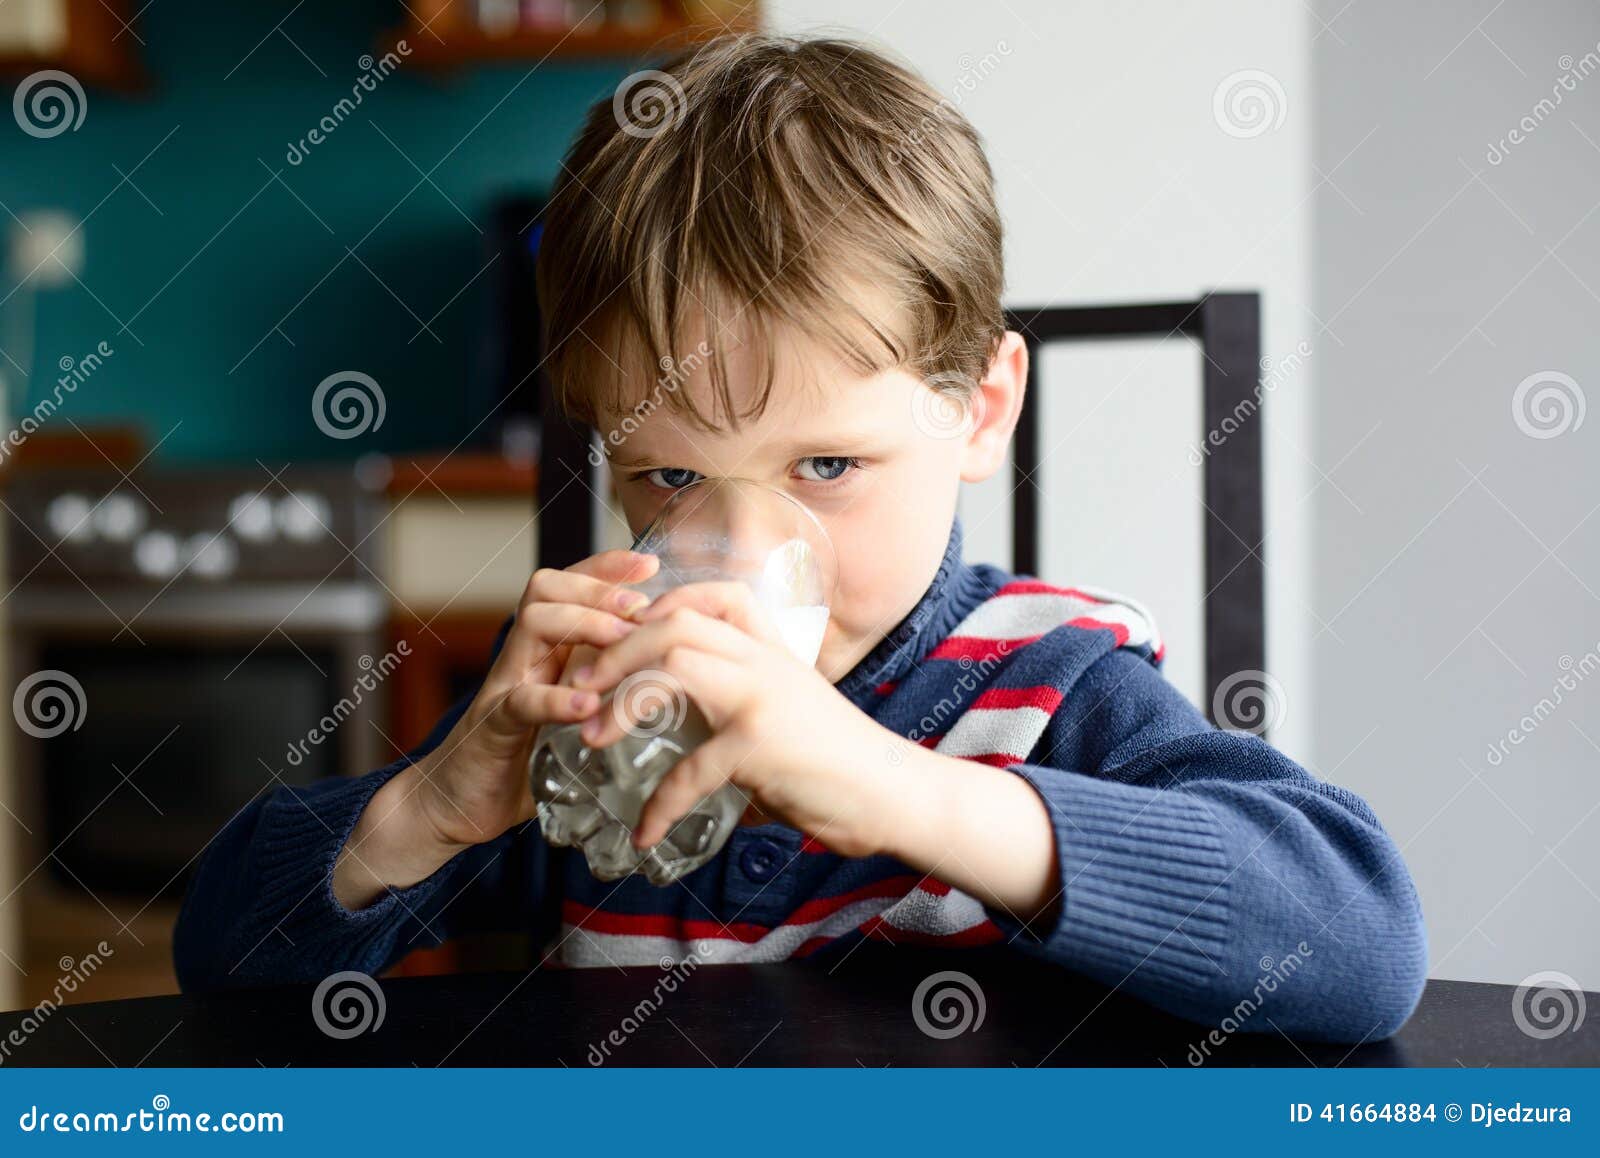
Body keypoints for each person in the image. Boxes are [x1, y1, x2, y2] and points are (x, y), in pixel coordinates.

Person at [175, 33, 1427, 1042]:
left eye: (826, 466)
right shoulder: (603, 695)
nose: (732, 542)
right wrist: (428, 810)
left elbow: (1362, 943)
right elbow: (224, 972)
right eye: (668, 476)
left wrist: (899, 790)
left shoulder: (1048, 684)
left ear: (979, 409)